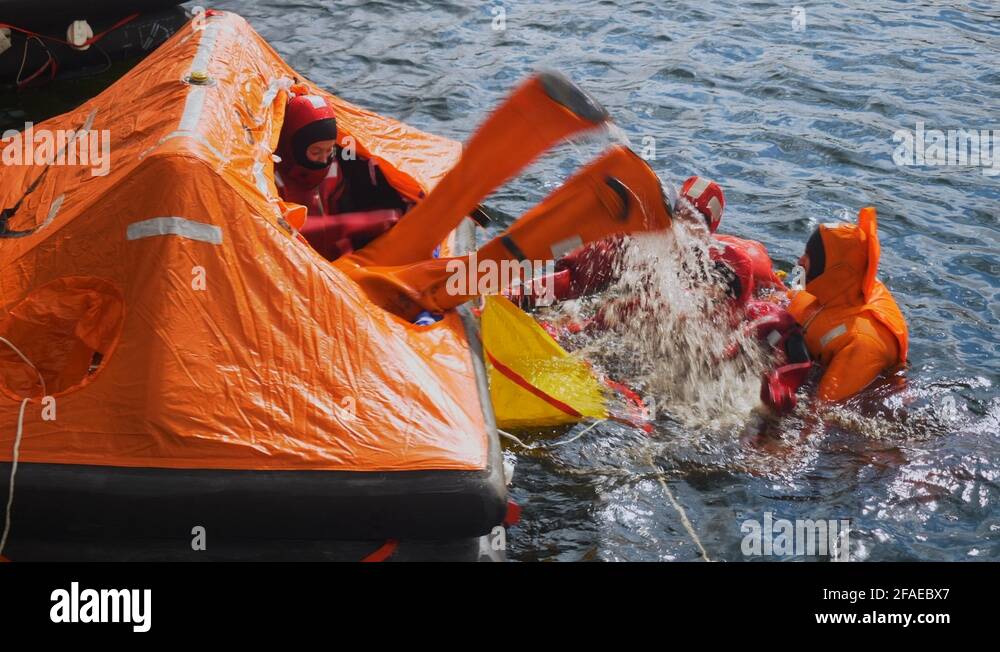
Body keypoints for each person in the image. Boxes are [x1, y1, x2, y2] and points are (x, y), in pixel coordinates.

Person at [764, 207, 908, 408]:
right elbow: (770, 303)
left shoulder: (863, 341)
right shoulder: (824, 292)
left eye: (811, 257)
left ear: (836, 272)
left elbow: (823, 411)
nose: (800, 261)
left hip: (862, 403)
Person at [274, 91, 407, 260]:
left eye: (329, 150)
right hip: (296, 258)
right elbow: (279, 227)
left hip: (337, 257)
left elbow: (343, 207)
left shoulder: (334, 167)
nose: (324, 159)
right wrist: (348, 225)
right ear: (294, 148)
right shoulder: (274, 177)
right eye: (316, 152)